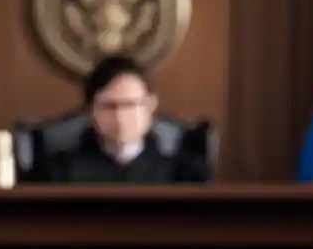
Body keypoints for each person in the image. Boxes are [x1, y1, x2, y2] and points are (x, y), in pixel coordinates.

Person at [45, 56, 208, 183]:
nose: (120, 117)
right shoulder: (59, 171)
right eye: (109, 106)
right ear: (90, 110)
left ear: (151, 106)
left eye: (131, 105)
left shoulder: (184, 173)